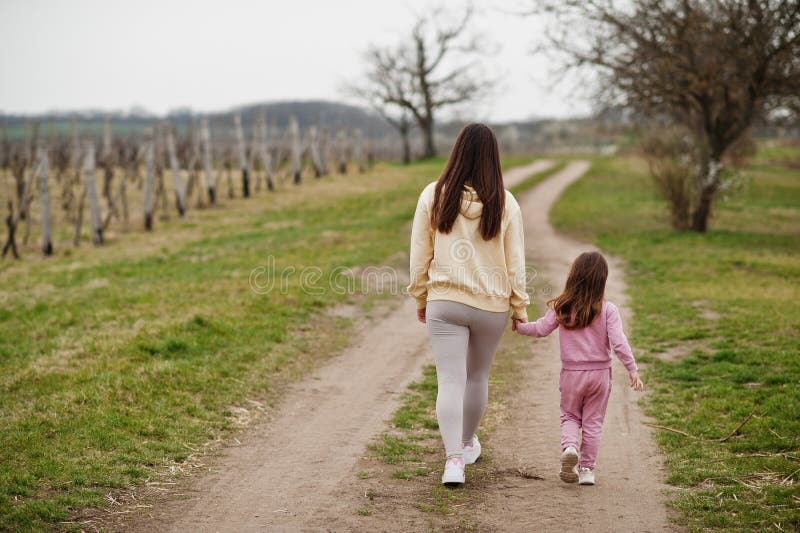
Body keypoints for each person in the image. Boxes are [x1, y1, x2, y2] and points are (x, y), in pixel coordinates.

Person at [406, 123, 529, 486]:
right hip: (491, 305)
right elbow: (516, 263)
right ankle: (465, 442)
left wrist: (420, 295)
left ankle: (453, 461)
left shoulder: (434, 194)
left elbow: (419, 253)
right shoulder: (506, 203)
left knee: (449, 380)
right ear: (494, 157)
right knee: (477, 377)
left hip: (446, 301)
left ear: (456, 152)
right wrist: (520, 308)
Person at [515, 251, 644, 485]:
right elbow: (619, 342)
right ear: (602, 280)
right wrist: (632, 369)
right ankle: (586, 470)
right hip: (600, 376)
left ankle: (570, 448)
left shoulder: (562, 307)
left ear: (573, 276)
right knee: (593, 422)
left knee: (570, 415)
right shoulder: (608, 310)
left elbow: (540, 329)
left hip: (572, 375)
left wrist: (519, 325)